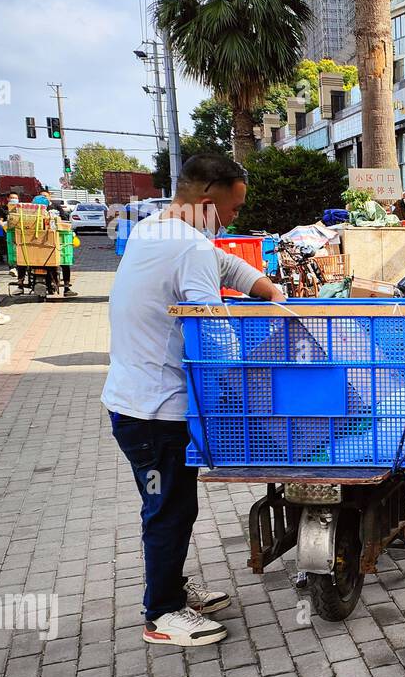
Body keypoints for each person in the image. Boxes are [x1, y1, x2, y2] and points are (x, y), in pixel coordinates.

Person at [102, 154, 287, 647]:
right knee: (168, 510)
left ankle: (173, 590)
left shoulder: (154, 230)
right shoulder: (187, 249)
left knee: (173, 506)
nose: (234, 219)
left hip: (134, 402)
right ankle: (161, 613)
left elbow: (223, 261)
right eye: (232, 209)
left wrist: (269, 291)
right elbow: (214, 337)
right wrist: (261, 385)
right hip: (154, 411)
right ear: (208, 202)